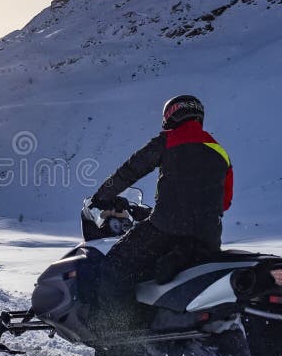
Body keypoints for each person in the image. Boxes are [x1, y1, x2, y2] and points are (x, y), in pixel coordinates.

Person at [88, 95, 233, 332]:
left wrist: (102, 196)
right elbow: (225, 202)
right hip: (207, 237)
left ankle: (117, 334)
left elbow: (130, 170)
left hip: (166, 227)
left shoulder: (169, 140)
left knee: (115, 267)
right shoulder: (220, 151)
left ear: (170, 116)